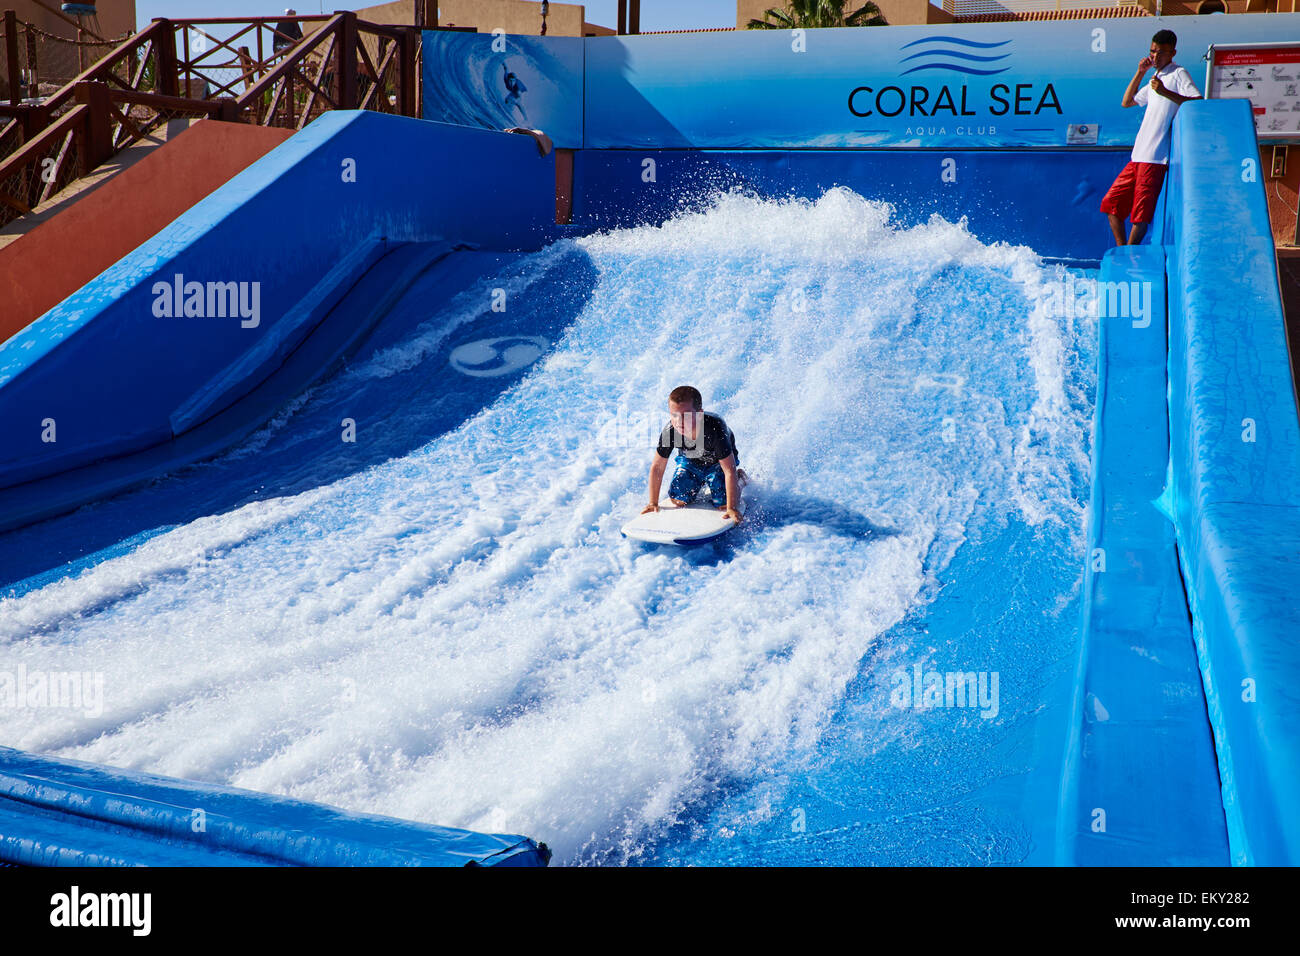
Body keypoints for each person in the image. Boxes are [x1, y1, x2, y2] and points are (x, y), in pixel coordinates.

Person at [1100, 29, 1202, 246]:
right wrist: (1140, 72)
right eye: (1152, 52)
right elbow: (1127, 102)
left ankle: (1129, 252)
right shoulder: (1156, 77)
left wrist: (1165, 92)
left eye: (1161, 53)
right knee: (1111, 204)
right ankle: (1123, 250)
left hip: (1155, 158)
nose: (1155, 57)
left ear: (1173, 53)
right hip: (1137, 157)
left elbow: (1197, 101)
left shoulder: (1178, 73)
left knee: (1140, 216)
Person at [642, 385, 746, 523]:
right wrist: (653, 502)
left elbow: (729, 470)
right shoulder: (670, 431)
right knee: (678, 500)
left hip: (718, 463)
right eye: (674, 415)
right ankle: (699, 480)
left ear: (699, 414)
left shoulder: (715, 429)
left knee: (722, 503)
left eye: (686, 416)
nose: (679, 422)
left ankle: (741, 478)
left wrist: (731, 507)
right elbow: (657, 467)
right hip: (690, 460)